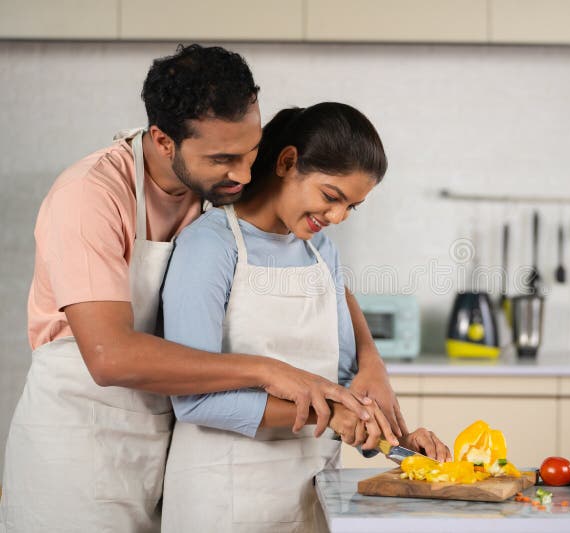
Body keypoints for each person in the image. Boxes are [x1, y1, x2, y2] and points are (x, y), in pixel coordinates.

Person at [1, 45, 402, 533]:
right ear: (163, 141)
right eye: (224, 158)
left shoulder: (211, 185)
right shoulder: (88, 196)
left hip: (164, 436)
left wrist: (369, 359)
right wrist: (271, 372)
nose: (244, 172)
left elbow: (327, 278)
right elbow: (109, 356)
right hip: (80, 441)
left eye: (252, 151)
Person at [159, 103, 450, 532]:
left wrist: (399, 447)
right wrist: (328, 413)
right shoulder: (209, 246)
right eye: (332, 197)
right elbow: (193, 399)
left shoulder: (320, 253)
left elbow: (348, 384)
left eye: (352, 207)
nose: (337, 217)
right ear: (287, 161)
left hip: (312, 496)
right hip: (222, 499)